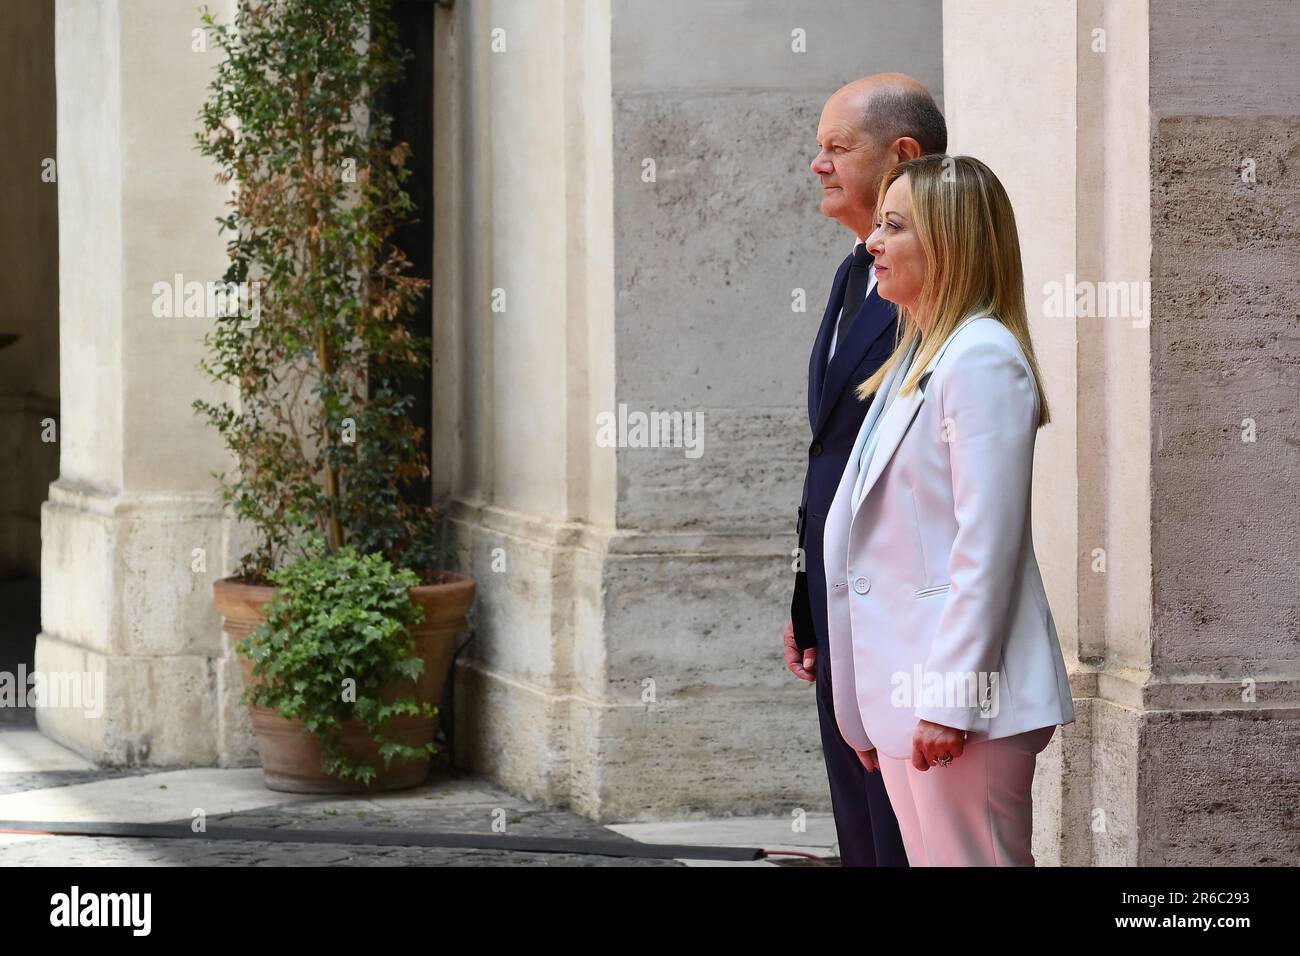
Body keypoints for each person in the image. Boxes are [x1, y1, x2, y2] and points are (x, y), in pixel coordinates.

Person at [821, 154, 1076, 866]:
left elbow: (984, 549)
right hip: (909, 693)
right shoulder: (915, 357)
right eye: (878, 225)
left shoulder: (981, 358)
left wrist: (949, 702)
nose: (873, 241)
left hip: (960, 703)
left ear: (953, 241)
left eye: (894, 227)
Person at [784, 73, 946, 866]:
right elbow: (833, 457)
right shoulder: (856, 273)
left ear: (902, 156)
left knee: (901, 837)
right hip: (840, 600)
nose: (817, 163)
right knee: (861, 829)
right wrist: (805, 596)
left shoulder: (928, 294)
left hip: (899, 623)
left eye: (837, 148)